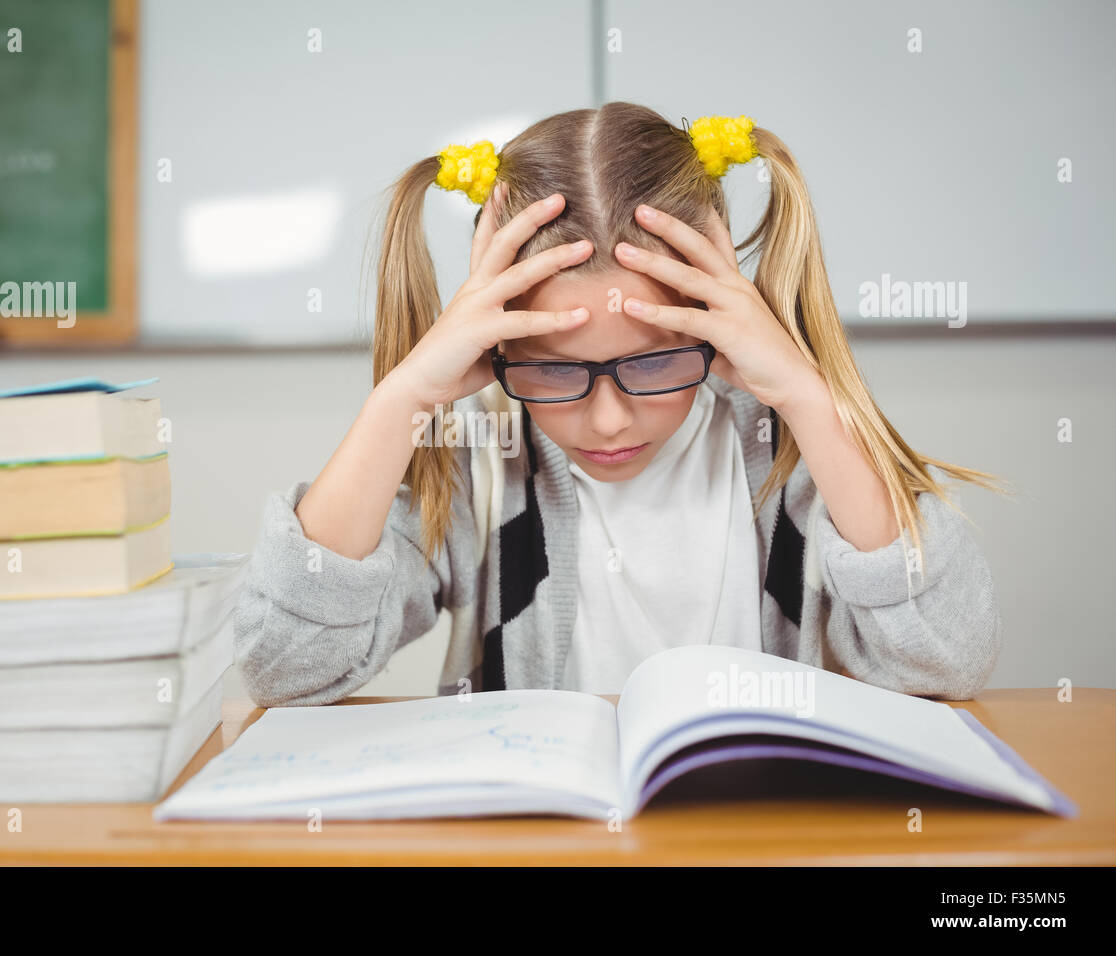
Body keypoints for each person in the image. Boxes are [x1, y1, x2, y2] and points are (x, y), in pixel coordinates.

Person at [233, 102, 1009, 706]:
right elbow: (284, 669)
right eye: (549, 371)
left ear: (717, 322)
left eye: (657, 360)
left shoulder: (797, 457)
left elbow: (945, 659)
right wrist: (401, 397)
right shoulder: (476, 462)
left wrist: (808, 394)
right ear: (493, 350)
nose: (606, 420)